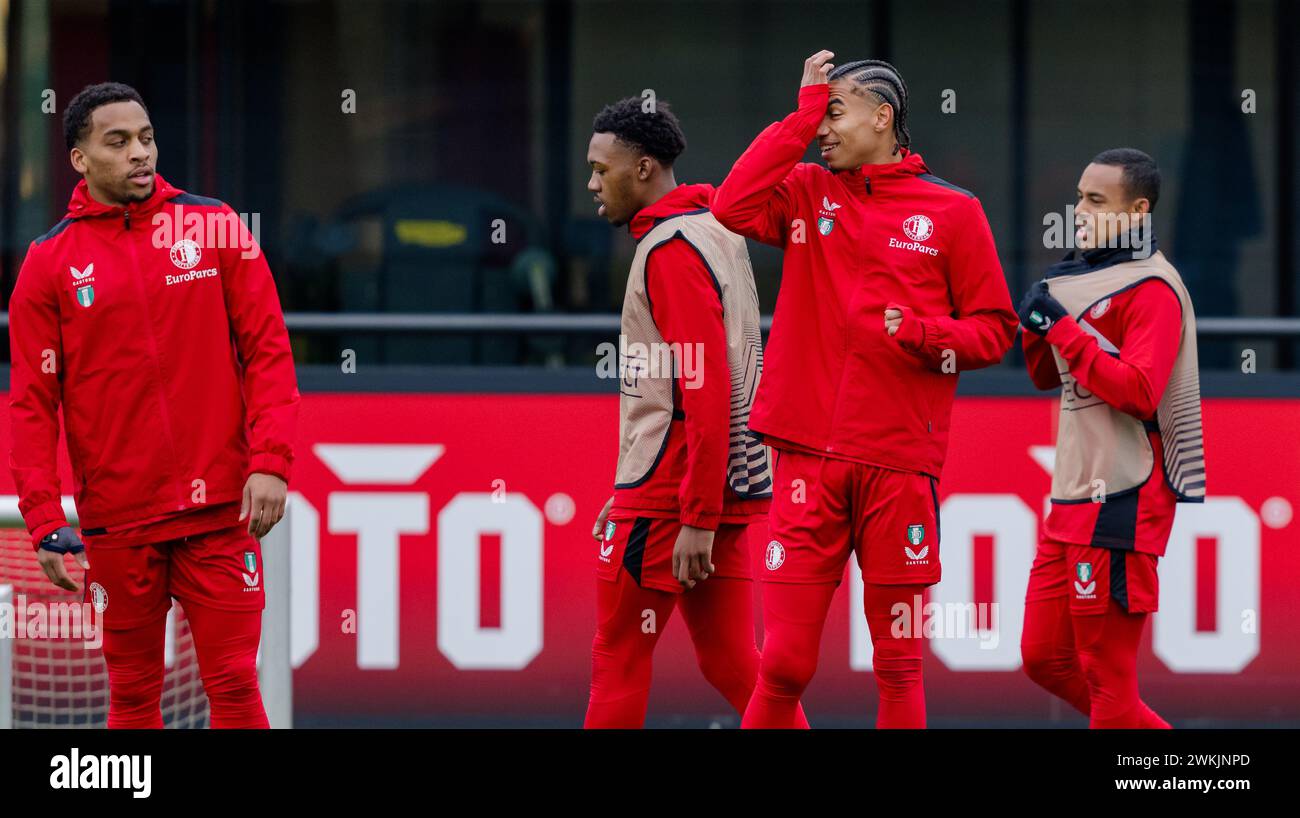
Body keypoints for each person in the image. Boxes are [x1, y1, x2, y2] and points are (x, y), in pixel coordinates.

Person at [712, 52, 1017, 728]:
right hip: (803, 463)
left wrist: (920, 333)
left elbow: (997, 331)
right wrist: (797, 116)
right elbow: (732, 206)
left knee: (898, 666)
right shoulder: (806, 191)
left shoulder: (954, 212)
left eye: (835, 112)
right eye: (817, 115)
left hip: (900, 466)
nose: (823, 128)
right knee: (785, 662)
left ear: (884, 116)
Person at [8, 82, 299, 728]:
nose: (140, 153)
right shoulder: (48, 264)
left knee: (231, 680)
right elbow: (32, 402)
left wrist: (271, 460)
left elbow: (269, 351)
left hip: (221, 511)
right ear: (79, 159)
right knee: (133, 694)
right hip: (118, 524)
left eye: (146, 138)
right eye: (118, 142)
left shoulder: (215, 227)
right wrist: (41, 516)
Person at [584, 96, 806, 728]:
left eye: (603, 169)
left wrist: (689, 514)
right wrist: (639, 487)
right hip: (707, 487)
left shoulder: (670, 248)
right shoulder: (712, 227)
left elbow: (701, 390)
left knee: (619, 656)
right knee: (733, 666)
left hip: (678, 492)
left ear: (645, 168)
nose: (592, 183)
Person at [1017, 148, 1203, 729]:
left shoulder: (1153, 288)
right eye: (1078, 198)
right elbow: (1045, 377)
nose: (1080, 211)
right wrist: (1038, 321)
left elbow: (1140, 393)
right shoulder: (1085, 276)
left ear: (1138, 210)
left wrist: (1065, 329)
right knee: (1044, 658)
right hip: (1073, 496)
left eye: (1096, 201)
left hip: (1124, 496)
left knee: (1106, 674)